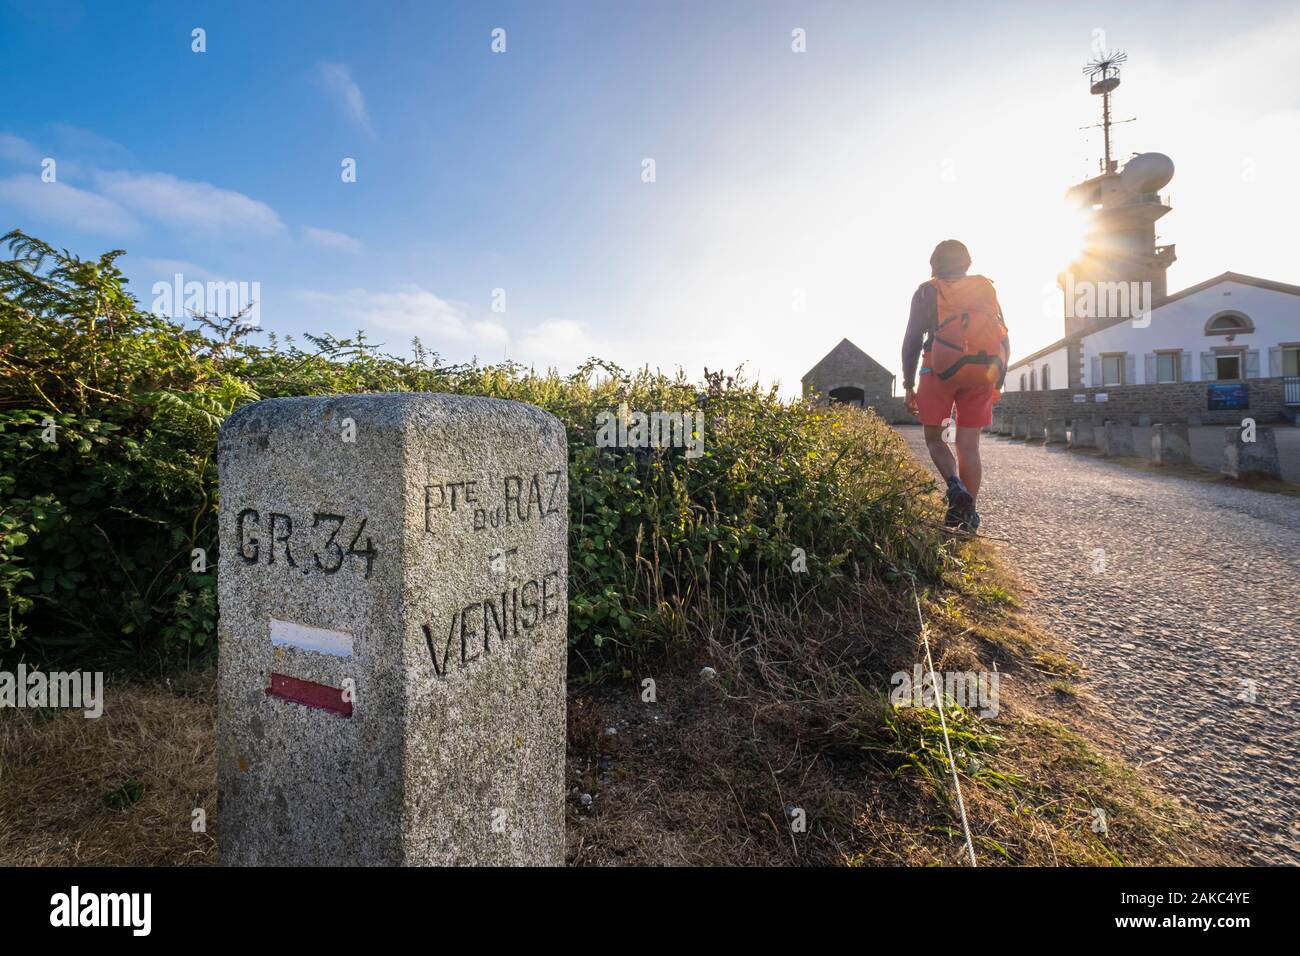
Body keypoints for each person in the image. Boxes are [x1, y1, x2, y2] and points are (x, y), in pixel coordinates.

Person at [900, 240, 1010, 532]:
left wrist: (909, 384)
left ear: (934, 264)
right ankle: (967, 519)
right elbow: (1004, 338)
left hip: (938, 369)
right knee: (968, 445)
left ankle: (954, 487)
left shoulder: (926, 291)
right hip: (982, 372)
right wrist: (997, 379)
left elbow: (911, 341)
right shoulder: (986, 288)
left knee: (935, 439)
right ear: (967, 262)